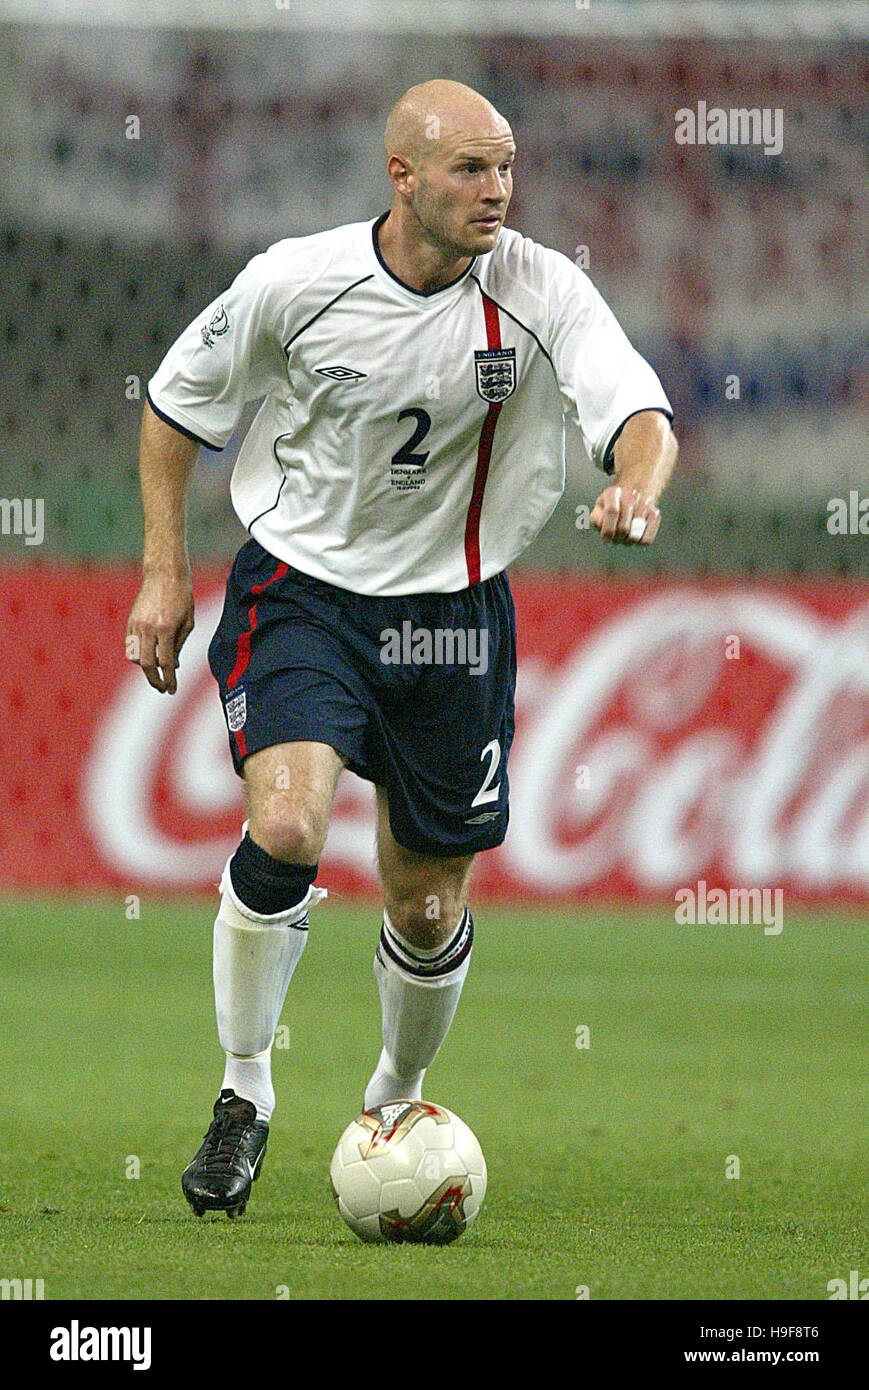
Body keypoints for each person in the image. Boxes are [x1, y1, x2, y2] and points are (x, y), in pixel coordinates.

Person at [125, 79, 678, 1218]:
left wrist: (633, 484)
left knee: (425, 906)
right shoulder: (297, 281)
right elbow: (177, 408)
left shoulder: (539, 289)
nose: (496, 191)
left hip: (455, 616)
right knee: (284, 819)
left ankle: (393, 1099)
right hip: (302, 593)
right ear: (402, 177)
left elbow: (638, 411)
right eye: (470, 169)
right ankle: (243, 1094)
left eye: (507, 167)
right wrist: (166, 572)